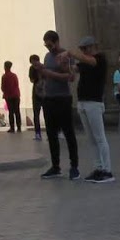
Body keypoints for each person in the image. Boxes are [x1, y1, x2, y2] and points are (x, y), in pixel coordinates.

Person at [37, 30, 80, 181]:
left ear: (56, 42)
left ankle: (74, 166)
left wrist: (50, 73)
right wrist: (42, 73)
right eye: (45, 45)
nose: (48, 48)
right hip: (49, 99)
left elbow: (71, 77)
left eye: (49, 44)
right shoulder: (47, 56)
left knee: (68, 133)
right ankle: (55, 166)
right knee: (51, 134)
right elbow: (47, 75)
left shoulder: (65, 55)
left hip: (63, 98)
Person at [71, 36, 114, 182]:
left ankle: (107, 171)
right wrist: (64, 62)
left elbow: (90, 61)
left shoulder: (99, 59)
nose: (83, 52)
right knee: (91, 139)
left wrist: (71, 53)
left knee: (100, 137)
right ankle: (98, 167)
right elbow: (72, 71)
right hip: (83, 102)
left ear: (92, 47)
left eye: (85, 49)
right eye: (82, 49)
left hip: (94, 103)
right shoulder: (84, 62)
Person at [0, 60, 22, 133]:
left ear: (5, 67)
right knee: (17, 111)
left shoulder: (4, 76)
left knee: (11, 112)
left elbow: (3, 87)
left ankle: (12, 128)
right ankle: (19, 127)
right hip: (16, 95)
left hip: (8, 96)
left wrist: (5, 91)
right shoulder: (14, 75)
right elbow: (16, 85)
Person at [28, 54, 44, 141]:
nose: (33, 63)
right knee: (37, 113)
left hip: (39, 91)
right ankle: (38, 133)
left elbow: (32, 80)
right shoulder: (35, 68)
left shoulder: (40, 67)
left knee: (43, 113)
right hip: (40, 91)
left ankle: (39, 134)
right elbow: (31, 79)